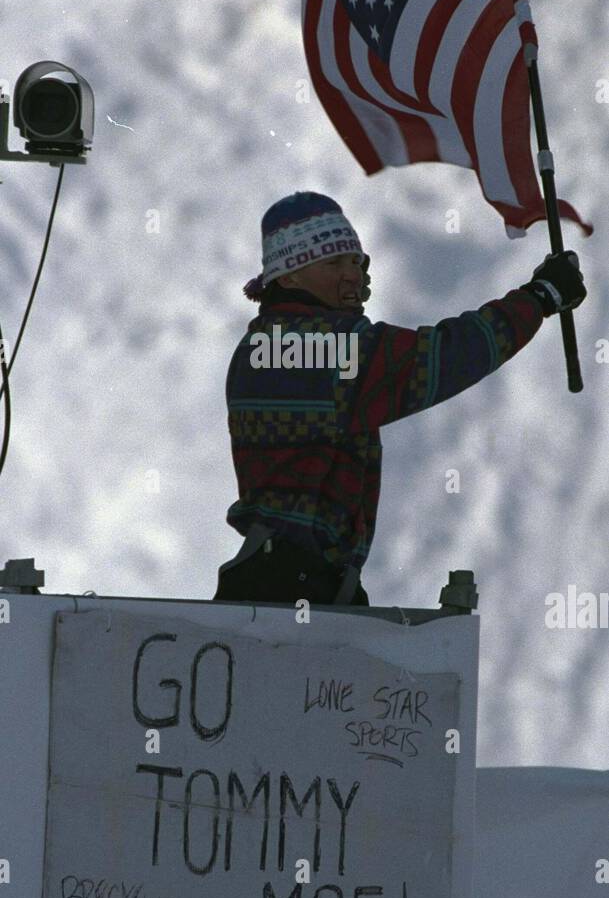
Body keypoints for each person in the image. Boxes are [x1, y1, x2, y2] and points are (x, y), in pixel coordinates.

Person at [213, 191, 586, 609]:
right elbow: (440, 358)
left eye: (357, 262)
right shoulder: (310, 348)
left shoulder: (273, 344)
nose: (352, 275)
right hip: (288, 583)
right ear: (289, 276)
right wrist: (539, 297)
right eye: (334, 263)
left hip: (294, 579)